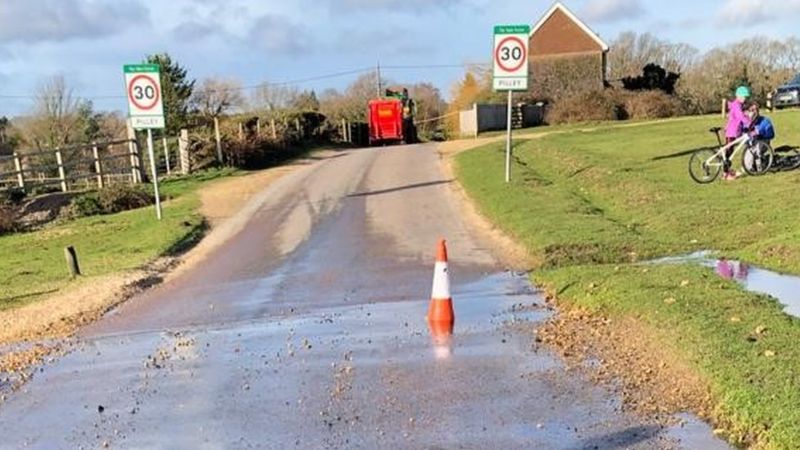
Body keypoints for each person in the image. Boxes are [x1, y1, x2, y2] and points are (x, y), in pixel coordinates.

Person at [723, 86, 753, 180]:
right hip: (732, 132)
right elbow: (740, 117)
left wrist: (746, 114)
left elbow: (740, 115)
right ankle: (726, 174)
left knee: (730, 152)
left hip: (735, 132)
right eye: (744, 96)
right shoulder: (736, 105)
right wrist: (749, 121)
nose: (745, 99)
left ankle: (727, 171)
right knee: (729, 153)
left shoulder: (738, 105)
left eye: (746, 97)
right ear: (738, 96)